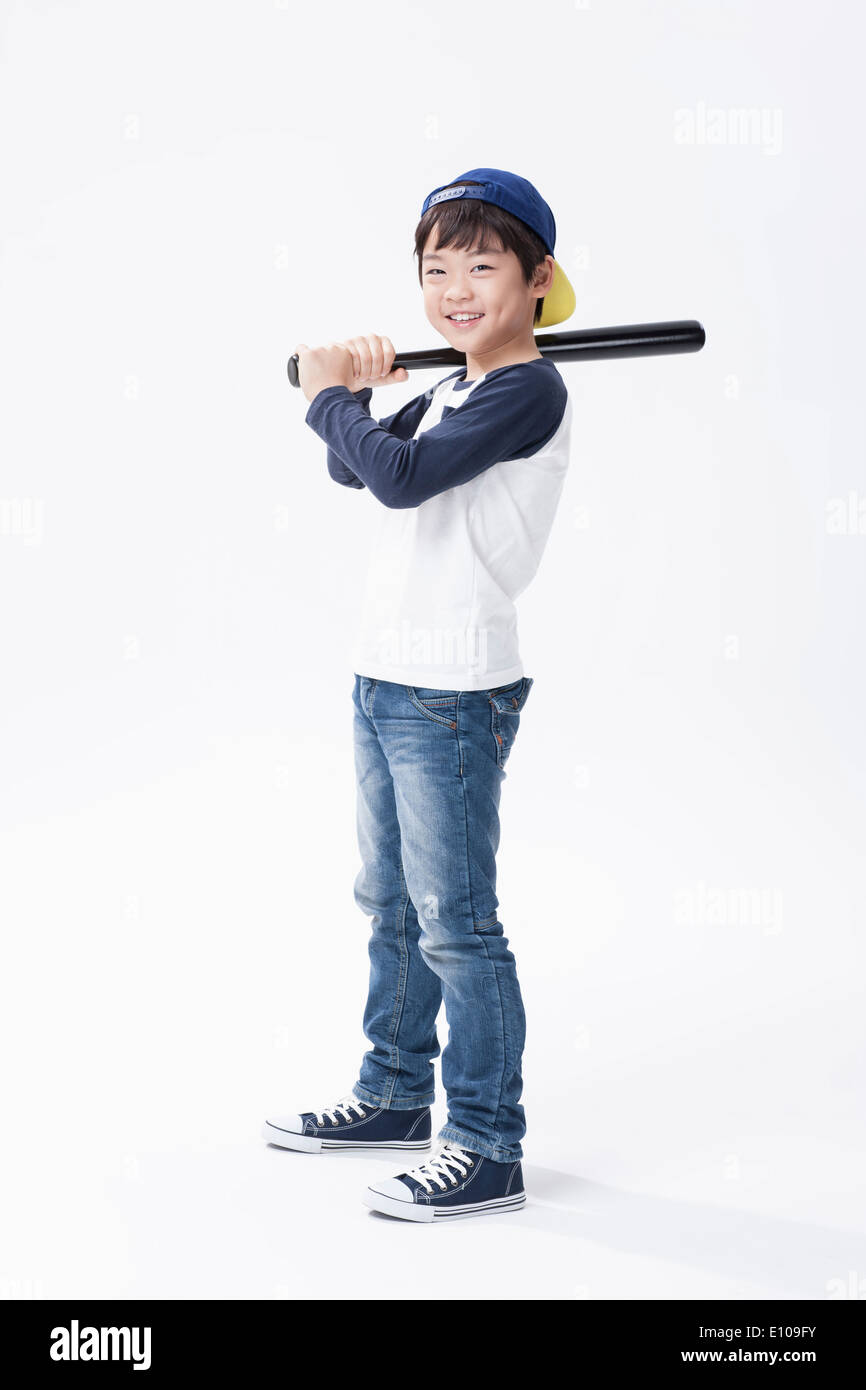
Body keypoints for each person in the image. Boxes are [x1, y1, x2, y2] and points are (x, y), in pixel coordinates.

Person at [262, 168, 575, 1222]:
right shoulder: (452, 387)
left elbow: (390, 473)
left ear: (536, 279)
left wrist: (328, 400)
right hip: (384, 673)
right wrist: (353, 392)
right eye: (434, 268)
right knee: (389, 905)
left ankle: (486, 1142)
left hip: (452, 688)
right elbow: (365, 466)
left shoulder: (526, 390)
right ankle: (395, 1094)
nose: (453, 288)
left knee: (456, 923)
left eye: (480, 266)